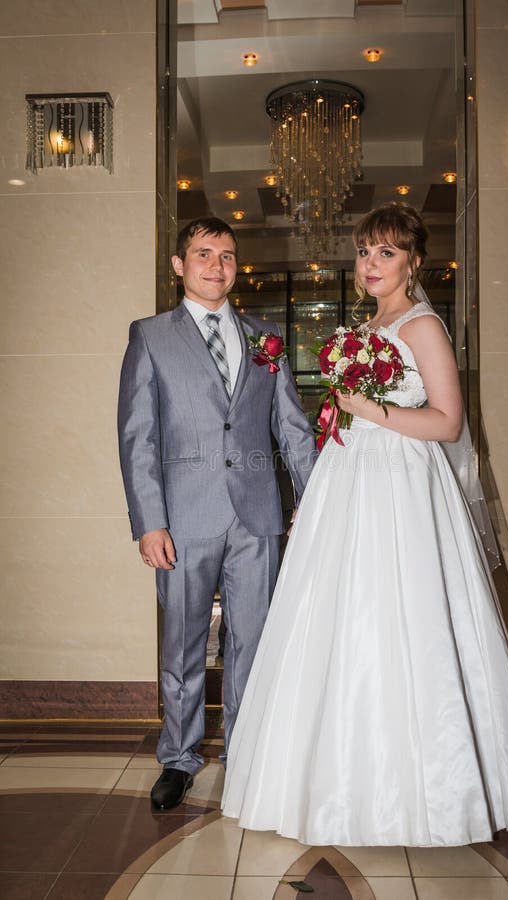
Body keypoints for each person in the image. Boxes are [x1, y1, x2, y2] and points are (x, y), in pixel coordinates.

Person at [221, 203, 508, 847]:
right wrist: (344, 419)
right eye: (364, 252)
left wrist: (366, 408)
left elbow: (448, 423)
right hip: (351, 481)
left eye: (385, 252)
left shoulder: (424, 325)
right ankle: (329, 780)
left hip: (404, 488)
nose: (371, 264)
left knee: (407, 615)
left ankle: (426, 790)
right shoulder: (368, 323)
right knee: (339, 615)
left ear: (412, 261)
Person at [117, 216, 316, 811]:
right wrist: (149, 521)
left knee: (254, 641)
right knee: (182, 645)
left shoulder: (264, 335)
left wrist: (313, 497)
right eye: (203, 254)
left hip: (258, 518)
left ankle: (246, 748)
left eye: (227, 256)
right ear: (179, 265)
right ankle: (178, 758)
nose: (216, 265)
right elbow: (138, 436)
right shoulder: (150, 336)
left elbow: (291, 427)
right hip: (182, 520)